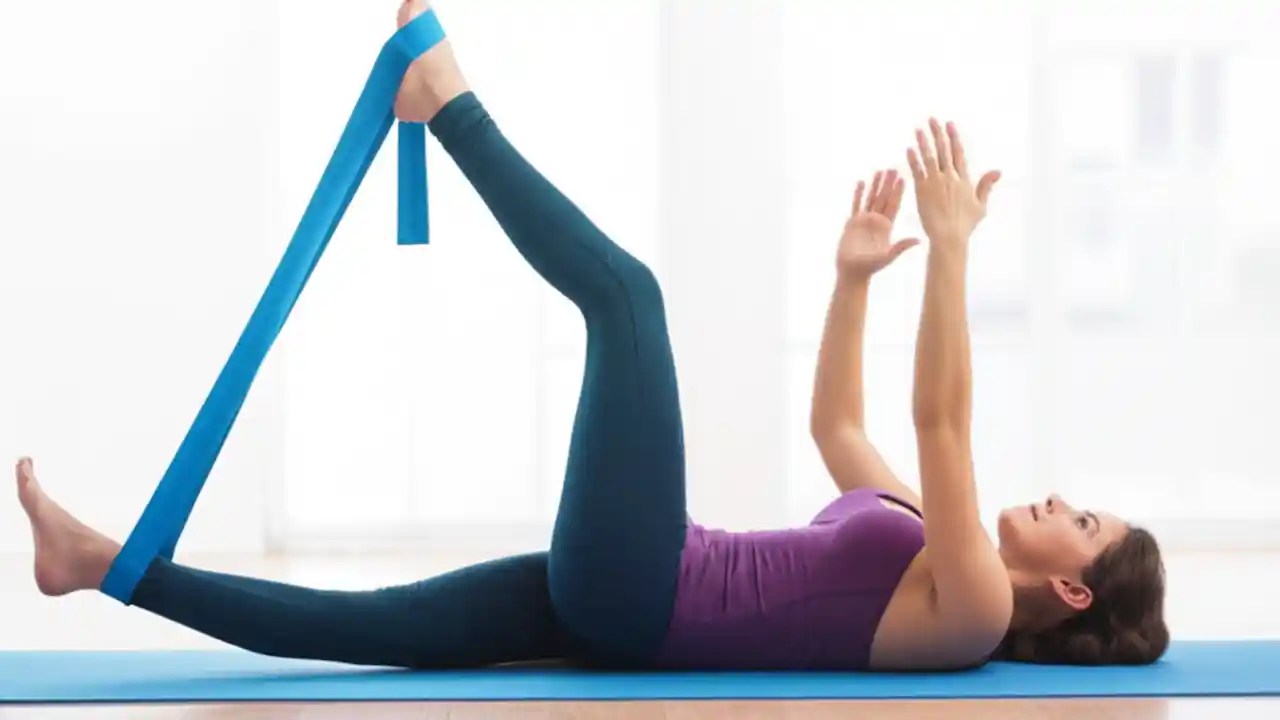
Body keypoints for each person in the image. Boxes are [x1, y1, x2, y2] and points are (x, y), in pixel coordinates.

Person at [13, 0, 1167, 672]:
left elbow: (939, 420)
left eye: (1080, 522)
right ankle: (102, 567)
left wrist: (955, 251)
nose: (1057, 502)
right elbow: (840, 426)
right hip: (626, 588)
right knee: (369, 627)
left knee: (627, 302)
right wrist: (851, 279)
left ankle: (445, 99)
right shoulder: (927, 539)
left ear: (1071, 592)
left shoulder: (965, 608)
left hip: (641, 585)